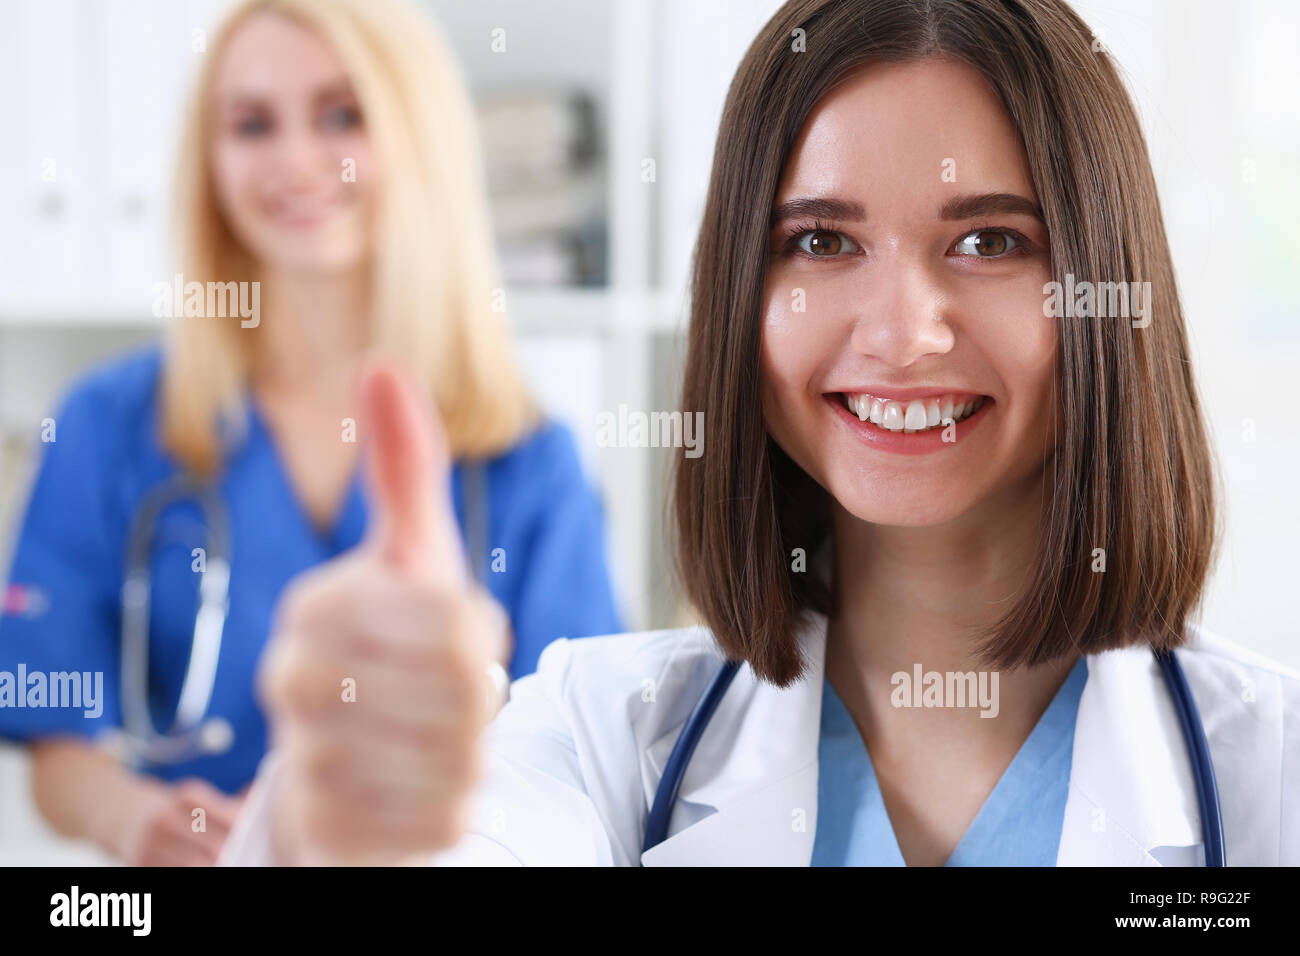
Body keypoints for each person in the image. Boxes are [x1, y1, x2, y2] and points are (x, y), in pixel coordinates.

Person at [218, 0, 1299, 866]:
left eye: (988, 241)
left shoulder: (1270, 772)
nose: (901, 335)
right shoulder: (602, 735)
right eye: (822, 241)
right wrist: (334, 827)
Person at [0, 0, 621, 866]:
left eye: (342, 115)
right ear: (209, 161)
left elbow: (582, 766)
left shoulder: (529, 463)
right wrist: (134, 817)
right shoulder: (104, 424)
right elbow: (54, 738)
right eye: (252, 124)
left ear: (417, 135)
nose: (295, 161)